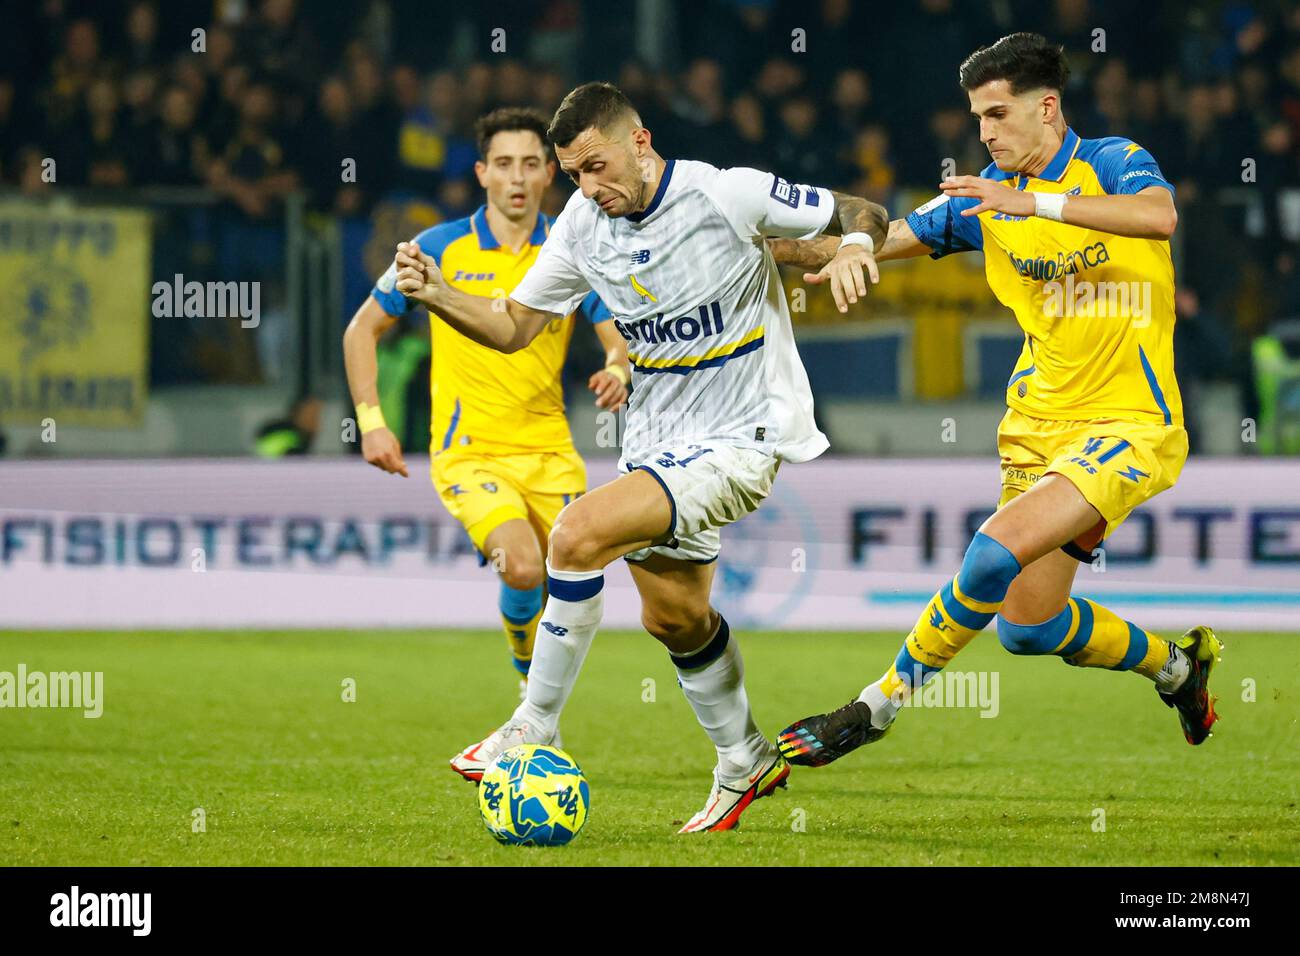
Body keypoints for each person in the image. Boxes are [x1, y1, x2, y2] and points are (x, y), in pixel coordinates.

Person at [392, 82, 887, 831]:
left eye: (596, 166)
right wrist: (438, 294)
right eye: (575, 174)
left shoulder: (728, 194)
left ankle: (532, 726)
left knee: (575, 536)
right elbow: (512, 325)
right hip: (656, 447)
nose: (588, 188)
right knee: (676, 618)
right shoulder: (583, 228)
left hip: (743, 437)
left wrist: (853, 246)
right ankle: (745, 758)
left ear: (640, 142)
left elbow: (863, 213)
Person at [767, 33, 1220, 771]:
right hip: (1037, 425)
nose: (984, 132)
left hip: (1128, 424)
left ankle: (873, 708)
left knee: (987, 557)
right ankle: (1177, 668)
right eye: (977, 116)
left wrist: (1030, 199)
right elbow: (888, 236)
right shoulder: (984, 199)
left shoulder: (1112, 161)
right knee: (1029, 625)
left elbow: (1158, 218)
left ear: (1047, 107)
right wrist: (809, 247)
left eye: (998, 114)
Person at [344, 107, 629, 695]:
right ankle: (529, 693)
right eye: (504, 164)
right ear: (481, 173)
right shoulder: (438, 248)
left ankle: (538, 700)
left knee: (571, 585)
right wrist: (372, 423)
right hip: (469, 450)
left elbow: (615, 337)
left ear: (551, 172)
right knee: (521, 565)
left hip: (551, 450)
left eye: (530, 164)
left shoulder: (571, 250)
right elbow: (360, 331)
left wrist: (618, 368)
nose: (517, 178)